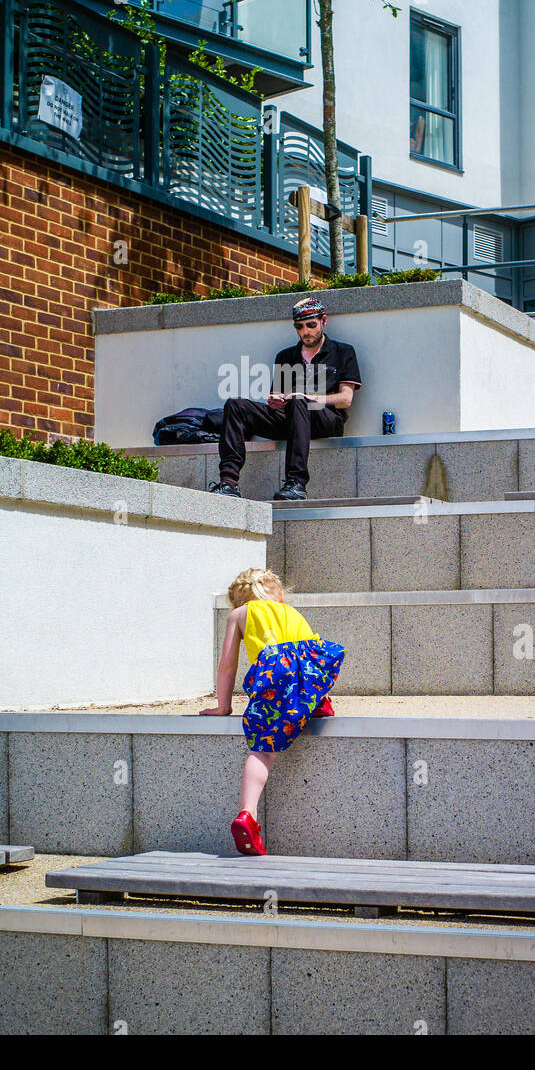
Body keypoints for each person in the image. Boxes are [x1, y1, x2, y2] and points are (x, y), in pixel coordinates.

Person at [200, 566, 345, 856]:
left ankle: (247, 815)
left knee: (263, 749)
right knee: (309, 664)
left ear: (239, 600)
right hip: (306, 683)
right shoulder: (292, 613)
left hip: (273, 680)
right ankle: (317, 705)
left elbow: (227, 664)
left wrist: (224, 706)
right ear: (277, 594)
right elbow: (313, 657)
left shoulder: (239, 615)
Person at [208, 295, 362, 501]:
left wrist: (307, 398)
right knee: (236, 405)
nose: (306, 332)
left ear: (323, 321)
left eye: (311, 325)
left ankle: (296, 483)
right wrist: (275, 400)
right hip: (291, 418)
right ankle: (228, 483)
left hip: (325, 419)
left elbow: (346, 399)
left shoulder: (343, 352)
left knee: (299, 401)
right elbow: (279, 393)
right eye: (299, 327)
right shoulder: (285, 356)